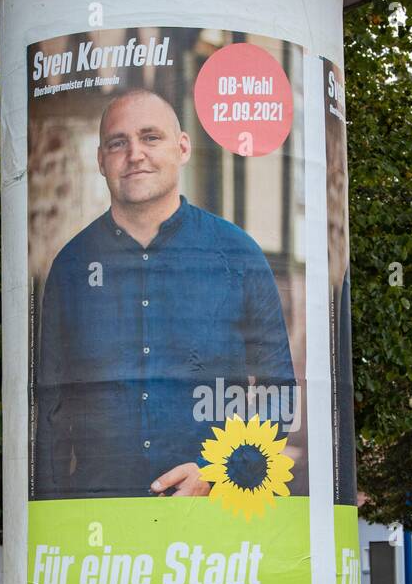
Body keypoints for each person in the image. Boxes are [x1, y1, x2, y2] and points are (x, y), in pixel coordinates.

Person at [34, 88, 296, 499]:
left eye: (150, 137)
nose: (134, 154)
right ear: (101, 160)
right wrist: (47, 516)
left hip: (213, 523)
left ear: (183, 147)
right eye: (118, 143)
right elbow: (48, 411)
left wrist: (219, 474)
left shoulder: (238, 254)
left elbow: (277, 395)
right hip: (97, 527)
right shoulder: (71, 266)